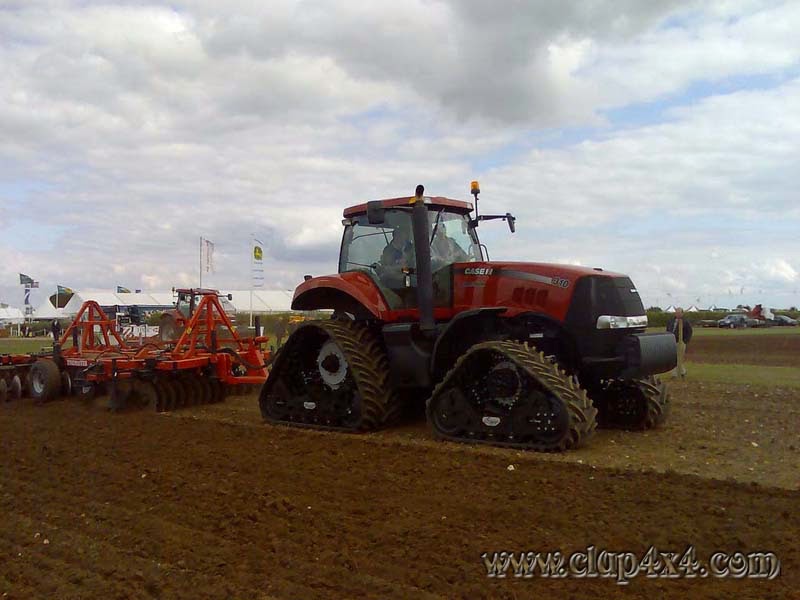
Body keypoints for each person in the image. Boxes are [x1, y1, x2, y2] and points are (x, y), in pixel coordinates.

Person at [666, 307, 693, 378]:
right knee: (673, 358)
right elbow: (667, 330)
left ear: (682, 313)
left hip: (680, 342)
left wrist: (685, 341)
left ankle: (676, 374)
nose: (677, 314)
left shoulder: (685, 322)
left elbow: (689, 332)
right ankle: (682, 372)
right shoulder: (671, 321)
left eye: (679, 313)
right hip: (671, 342)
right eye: (676, 312)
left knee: (679, 358)